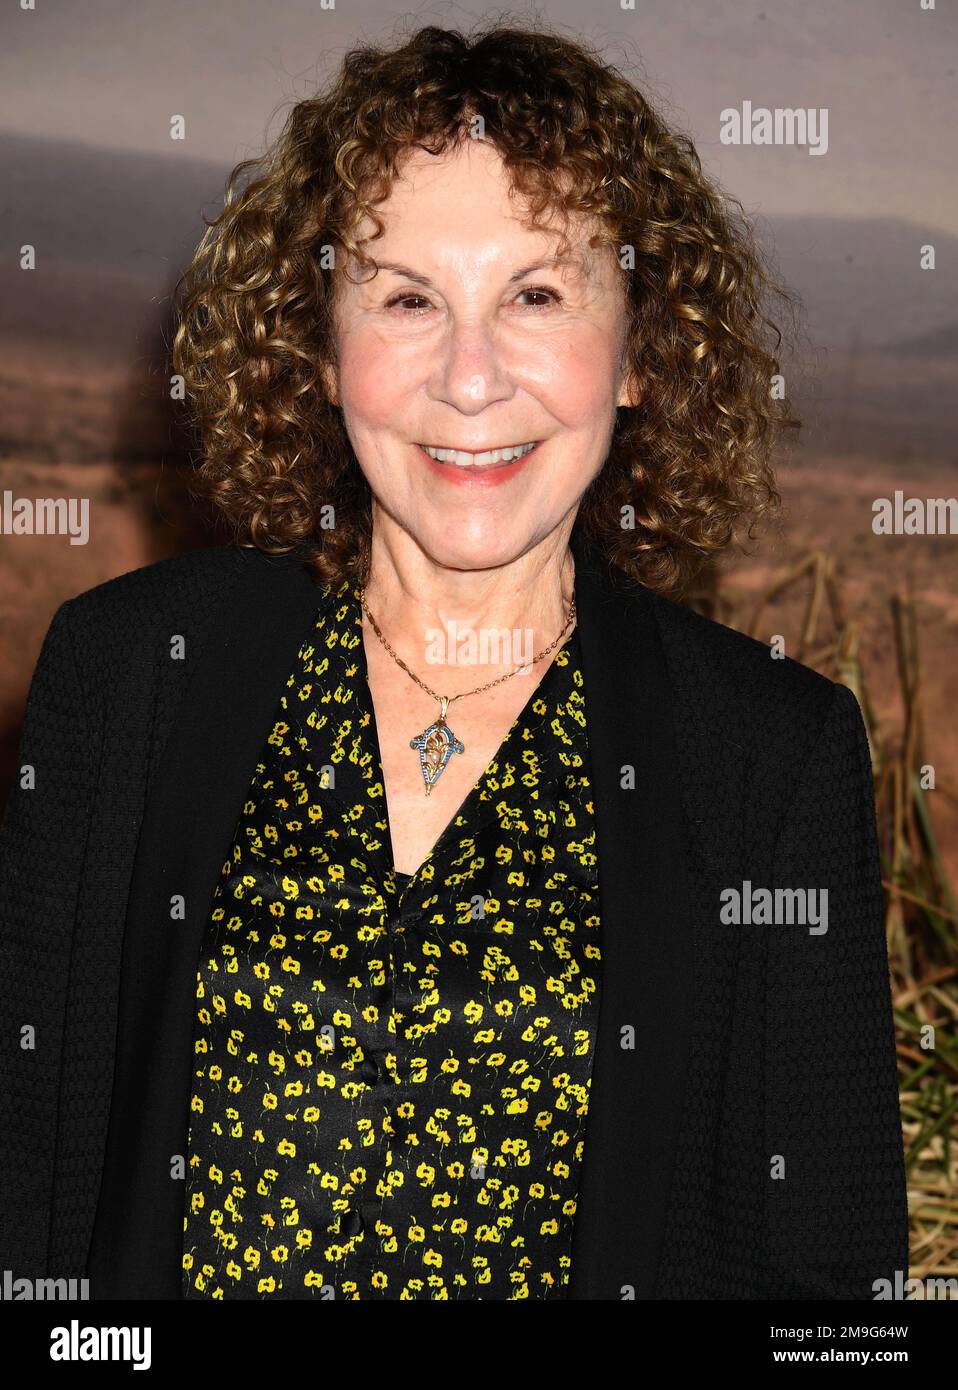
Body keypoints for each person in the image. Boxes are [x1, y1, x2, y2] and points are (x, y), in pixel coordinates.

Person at [0, 22, 907, 1301]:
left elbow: (823, 1282)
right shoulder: (130, 674)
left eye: (537, 295)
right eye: (407, 297)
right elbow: (31, 1185)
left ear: (642, 348)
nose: (469, 379)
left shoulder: (769, 756)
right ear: (317, 347)